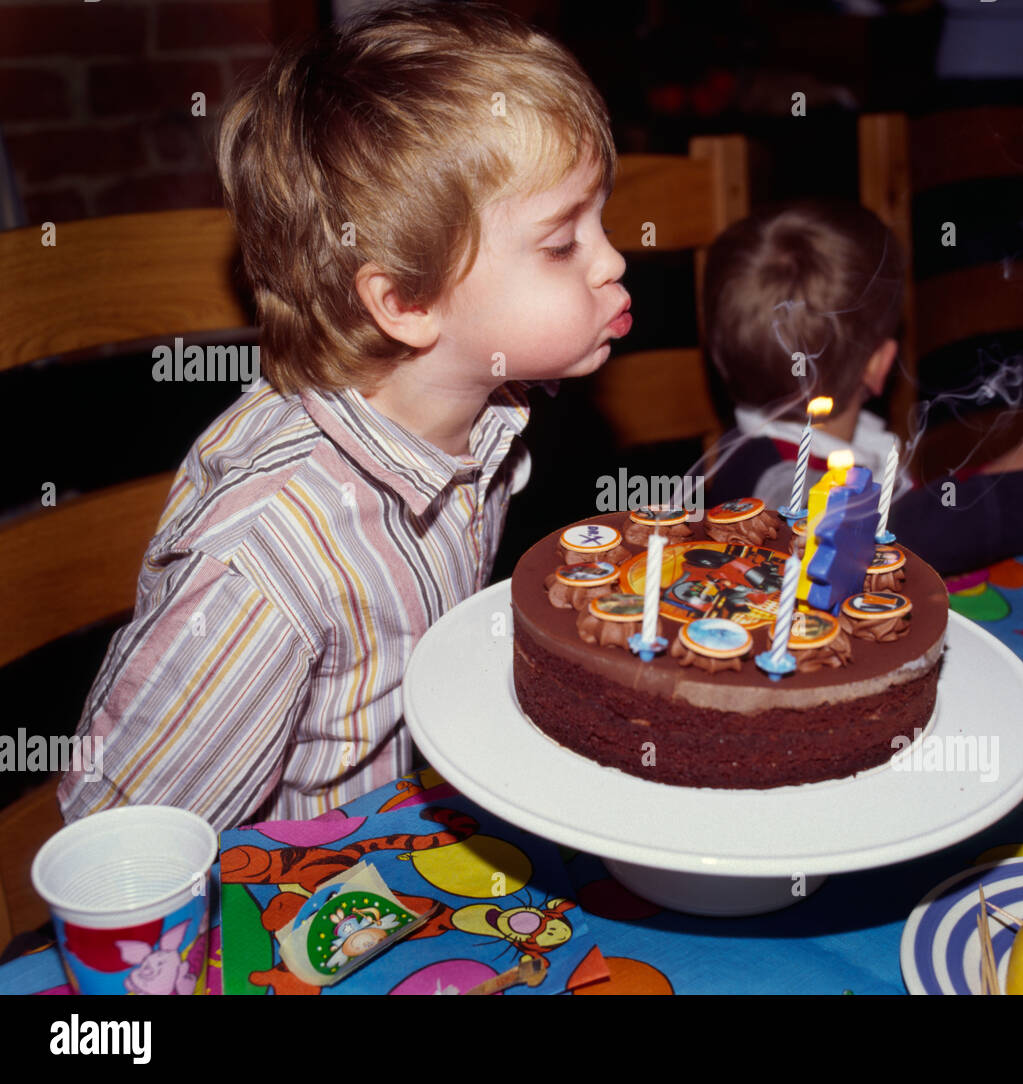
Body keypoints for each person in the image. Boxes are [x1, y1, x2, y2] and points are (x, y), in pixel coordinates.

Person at [59, 2, 630, 831]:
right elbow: (118, 841)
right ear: (403, 301)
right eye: (560, 242)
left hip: (416, 832)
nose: (612, 257)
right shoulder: (270, 558)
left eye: (601, 219)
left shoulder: (478, 412)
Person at [703, 200, 1023, 575]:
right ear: (880, 365)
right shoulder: (763, 483)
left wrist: (1004, 474)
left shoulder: (802, 448)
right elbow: (889, 549)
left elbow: (915, 515)